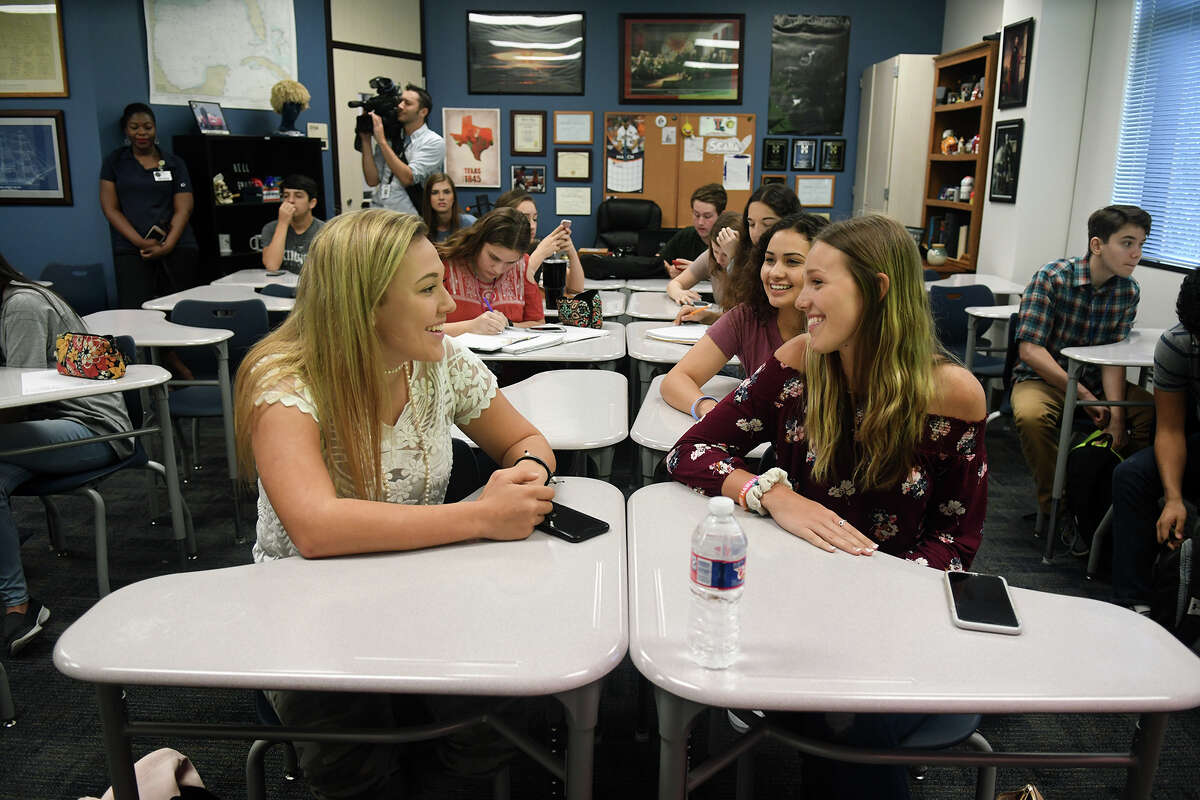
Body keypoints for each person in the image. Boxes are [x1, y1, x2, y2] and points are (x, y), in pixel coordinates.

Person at [233, 209, 556, 797]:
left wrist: (526, 476)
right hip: (310, 602)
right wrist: (480, 515)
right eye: (428, 290)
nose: (450, 307)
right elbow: (315, 529)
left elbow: (525, 441)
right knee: (353, 758)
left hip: (423, 589)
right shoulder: (284, 380)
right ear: (364, 304)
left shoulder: (440, 362)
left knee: (497, 715)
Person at [667, 214, 987, 799]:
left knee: (852, 726)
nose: (802, 298)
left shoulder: (953, 393)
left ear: (879, 290)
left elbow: (957, 538)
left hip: (895, 608)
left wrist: (883, 589)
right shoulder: (799, 362)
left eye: (818, 282)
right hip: (797, 595)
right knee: (847, 727)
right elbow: (692, 451)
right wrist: (773, 493)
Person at [1, 253, 133, 656]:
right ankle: (17, 603)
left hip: (92, 429)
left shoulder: (21, 305)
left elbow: (17, 401)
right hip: (36, 434)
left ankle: (15, 602)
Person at [1011, 205, 1155, 521]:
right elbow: (1030, 352)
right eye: (1127, 243)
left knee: (1149, 411)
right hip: (1045, 379)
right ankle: (1058, 509)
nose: (1136, 254)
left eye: (1141, 245)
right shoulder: (1051, 278)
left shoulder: (1127, 290)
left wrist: (1116, 413)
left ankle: (1108, 502)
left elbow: (1113, 358)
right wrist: (1086, 397)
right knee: (1032, 415)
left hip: (1095, 380)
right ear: (1097, 245)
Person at [661, 213, 827, 419]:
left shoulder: (838, 325)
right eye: (769, 260)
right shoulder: (747, 317)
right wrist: (709, 409)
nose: (775, 272)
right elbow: (675, 380)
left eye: (792, 261)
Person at [1111, 269, 1200, 612]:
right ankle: (1132, 603)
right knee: (1131, 475)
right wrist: (1174, 498)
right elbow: (1170, 429)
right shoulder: (1179, 342)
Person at [99, 102, 200, 309]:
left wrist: (168, 244)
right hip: (132, 250)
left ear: (155, 128)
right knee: (135, 311)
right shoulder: (115, 162)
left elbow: (184, 207)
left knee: (180, 309)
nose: (142, 132)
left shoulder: (174, 162)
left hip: (176, 247)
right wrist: (141, 242)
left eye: (147, 126)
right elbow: (110, 209)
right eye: (134, 127)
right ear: (126, 130)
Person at [668, 184, 801, 324]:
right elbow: (745, 319)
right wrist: (706, 316)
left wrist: (734, 259)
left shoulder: (796, 260)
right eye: (751, 224)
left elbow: (756, 320)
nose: (756, 233)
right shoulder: (756, 257)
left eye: (767, 224)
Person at [440, 207, 544, 335]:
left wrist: (509, 324)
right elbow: (421, 329)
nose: (498, 269)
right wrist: (469, 327)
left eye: (510, 262)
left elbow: (538, 324)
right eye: (493, 257)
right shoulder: (446, 265)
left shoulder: (522, 266)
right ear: (478, 241)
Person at [360, 83, 444, 216]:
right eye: (400, 101)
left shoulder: (433, 142)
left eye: (407, 103)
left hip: (409, 218)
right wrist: (365, 140)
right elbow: (372, 180)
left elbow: (408, 178)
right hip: (380, 214)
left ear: (423, 112)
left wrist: (381, 141)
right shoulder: (391, 140)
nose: (400, 106)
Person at [494, 189, 584, 297]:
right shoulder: (496, 251)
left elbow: (576, 288)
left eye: (534, 219)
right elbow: (512, 287)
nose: (532, 226)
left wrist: (571, 251)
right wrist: (540, 253)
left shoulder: (532, 247)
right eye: (524, 219)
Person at [260, 174, 324, 274]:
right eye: (286, 196)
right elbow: (272, 266)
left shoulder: (324, 231)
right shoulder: (271, 228)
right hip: (282, 287)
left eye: (298, 196)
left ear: (312, 203)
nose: (290, 200)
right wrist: (283, 223)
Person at [660, 183, 727, 277]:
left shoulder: (729, 239)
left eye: (707, 216)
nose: (700, 222)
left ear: (722, 216)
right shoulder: (686, 235)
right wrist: (669, 269)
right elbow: (658, 260)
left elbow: (738, 275)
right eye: (696, 215)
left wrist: (699, 271)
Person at [421, 173, 476, 243]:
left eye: (446, 192)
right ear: (428, 198)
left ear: (454, 197)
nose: (441, 197)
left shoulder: (470, 224)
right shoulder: (420, 229)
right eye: (435, 193)